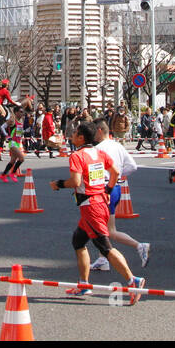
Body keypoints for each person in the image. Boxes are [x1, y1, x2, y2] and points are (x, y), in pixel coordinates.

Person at [51, 122, 144, 302]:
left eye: (75, 133)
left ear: (81, 138)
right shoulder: (99, 153)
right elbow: (116, 172)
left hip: (91, 206)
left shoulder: (77, 156)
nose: (71, 136)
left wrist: (59, 184)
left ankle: (133, 280)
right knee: (78, 241)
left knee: (105, 246)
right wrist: (107, 190)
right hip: (99, 201)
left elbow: (76, 182)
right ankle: (84, 285)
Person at [88, 118, 150, 270]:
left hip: (103, 189)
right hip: (115, 188)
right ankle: (103, 259)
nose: (92, 135)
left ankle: (138, 246)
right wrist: (119, 175)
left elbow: (94, 172)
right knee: (107, 228)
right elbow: (133, 166)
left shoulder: (98, 149)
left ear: (100, 131)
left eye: (94, 131)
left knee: (105, 230)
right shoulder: (117, 146)